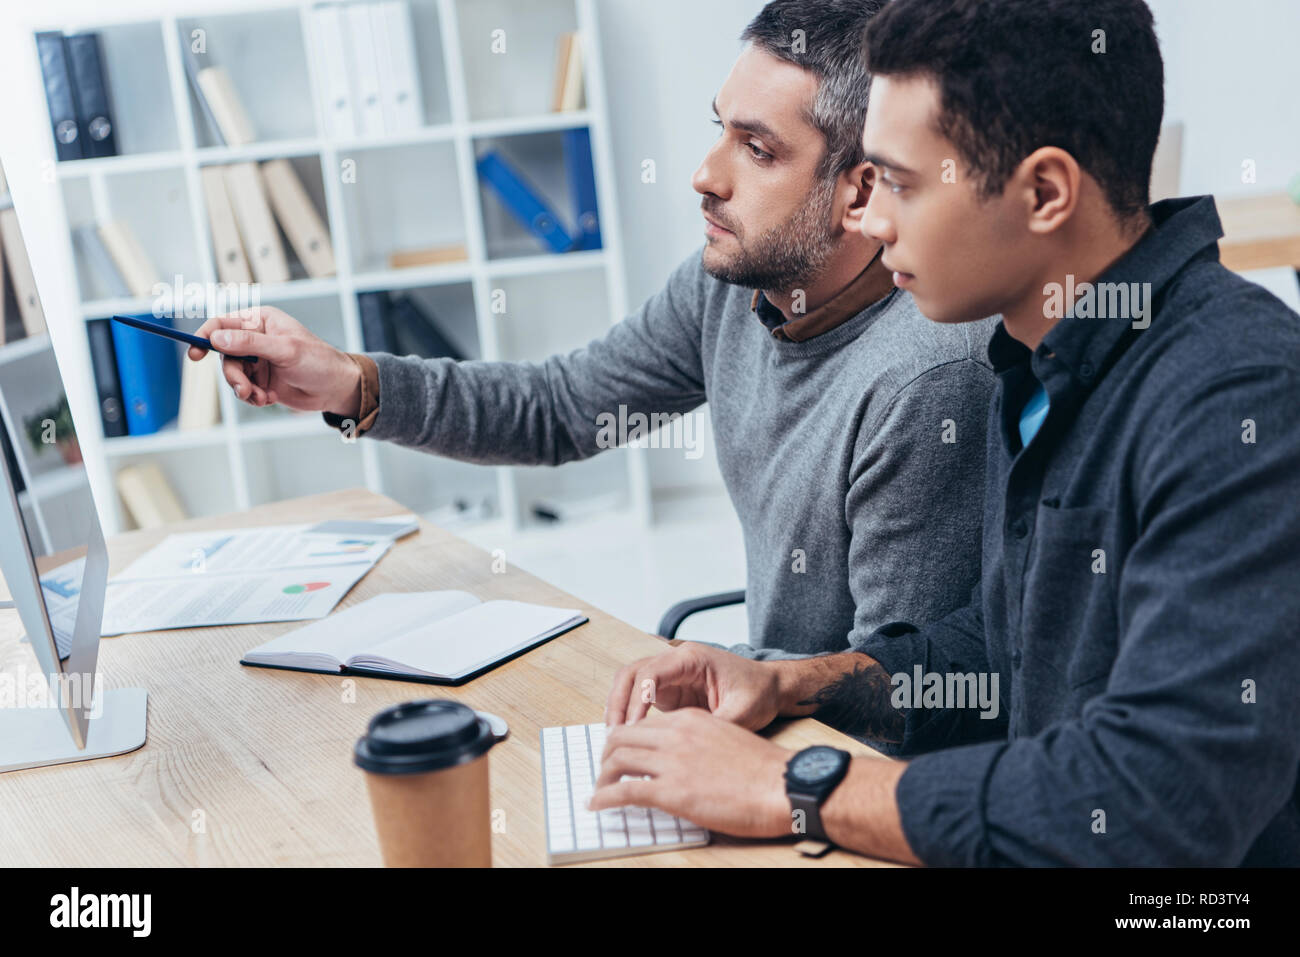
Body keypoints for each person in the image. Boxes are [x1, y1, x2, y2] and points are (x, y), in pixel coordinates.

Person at [592, 0, 1300, 866]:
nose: (873, 219)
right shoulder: (1038, 361)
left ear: (1044, 192)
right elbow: (1000, 652)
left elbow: (1158, 798)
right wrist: (787, 680)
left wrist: (793, 786)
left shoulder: (1237, 395)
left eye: (898, 181)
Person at [189, 1, 996, 679]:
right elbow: (561, 407)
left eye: (757, 149)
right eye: (719, 130)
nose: (705, 175)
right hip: (761, 703)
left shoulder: (926, 381)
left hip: (823, 766)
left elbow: (897, 700)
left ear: (859, 192)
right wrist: (344, 380)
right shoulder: (729, 286)